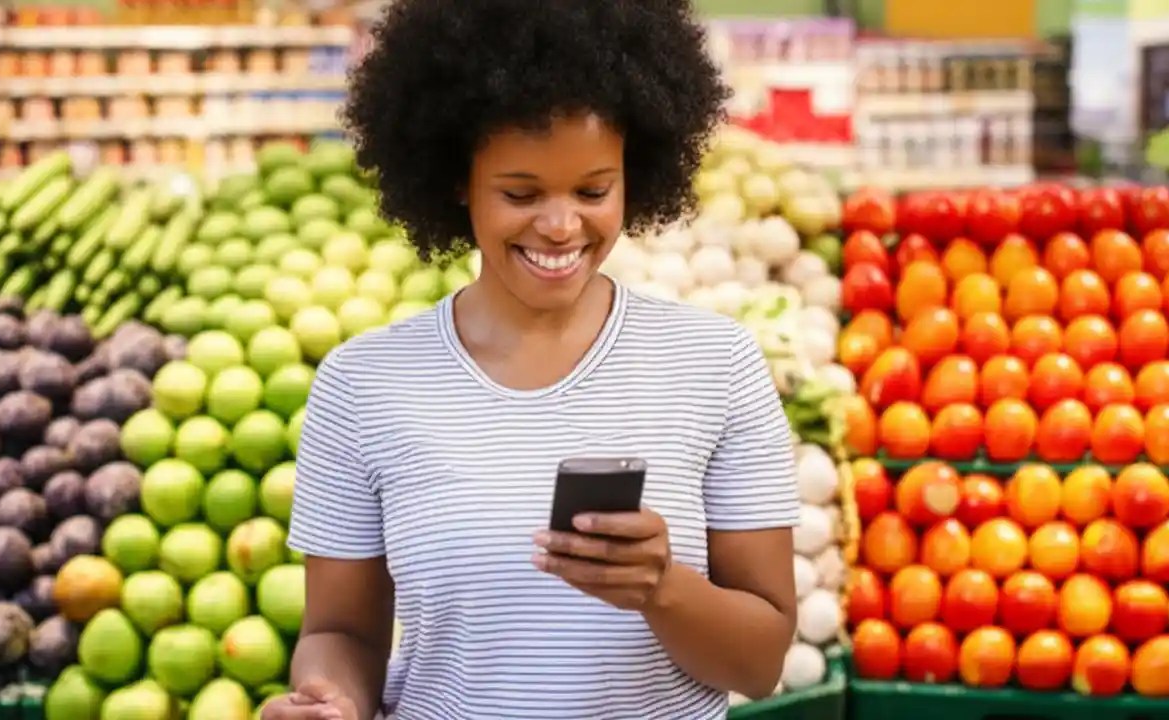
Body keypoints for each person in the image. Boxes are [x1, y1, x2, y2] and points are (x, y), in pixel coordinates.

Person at [262, 1, 800, 718]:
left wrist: (663, 587)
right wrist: (330, 700)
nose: (559, 225)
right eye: (520, 193)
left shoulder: (715, 363)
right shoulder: (364, 385)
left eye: (592, 190)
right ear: (458, 180)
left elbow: (761, 664)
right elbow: (339, 631)